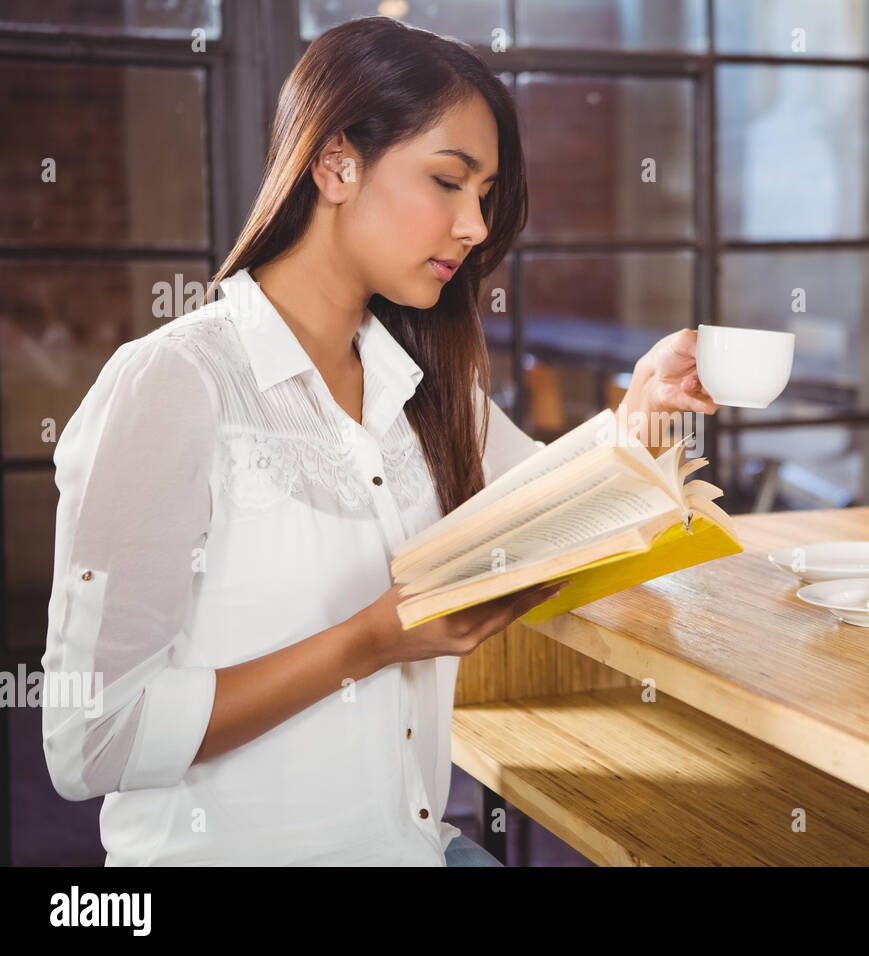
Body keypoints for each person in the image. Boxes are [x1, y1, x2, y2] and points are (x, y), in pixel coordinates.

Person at [41, 15, 718, 866]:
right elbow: (87, 739)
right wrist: (372, 640)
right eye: (449, 181)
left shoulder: (427, 389)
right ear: (335, 164)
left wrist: (646, 414)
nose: (474, 226)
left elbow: (563, 504)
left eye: (485, 195)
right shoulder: (174, 385)